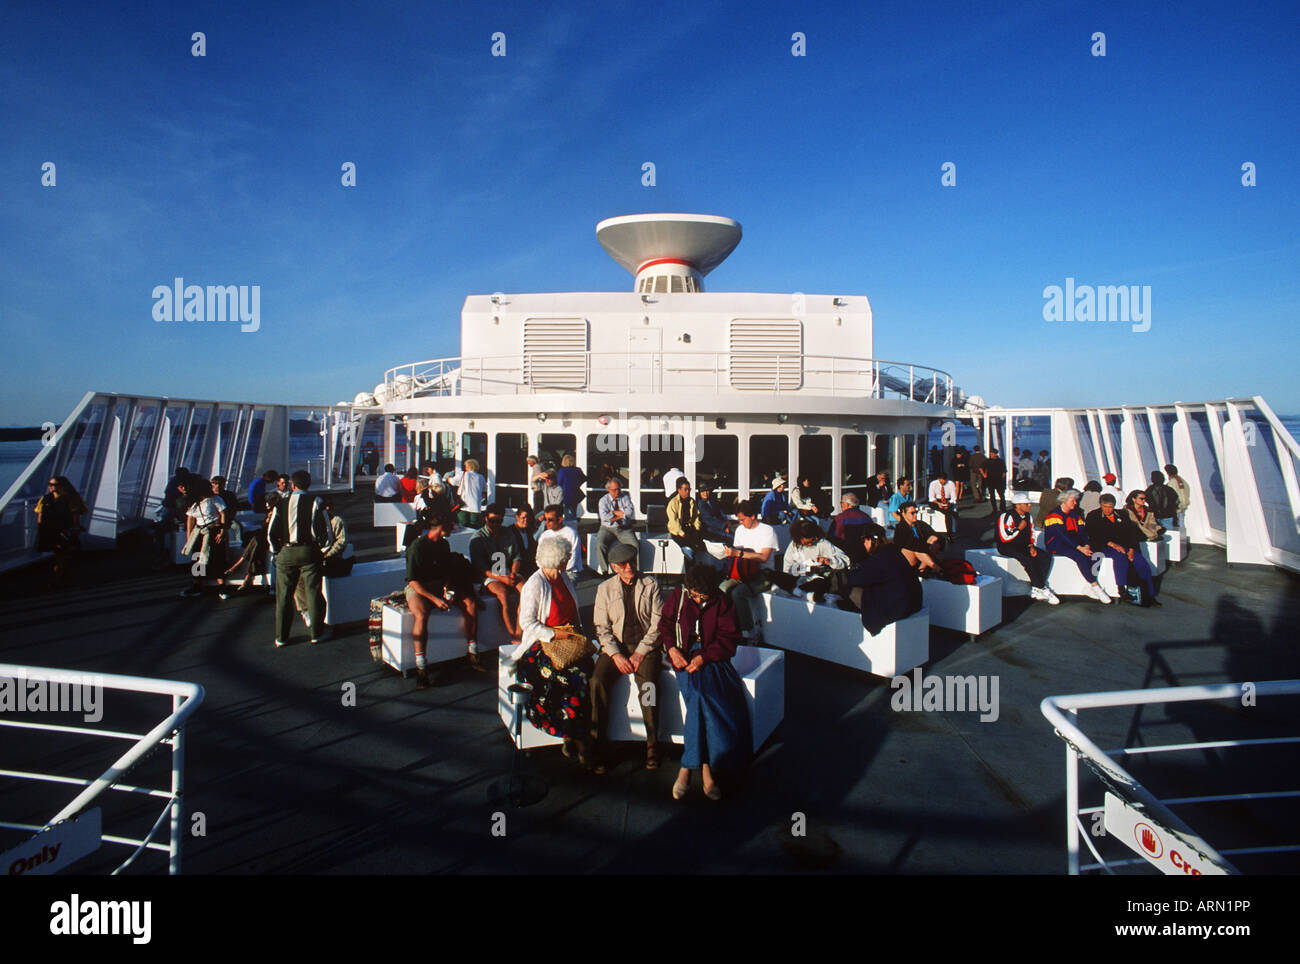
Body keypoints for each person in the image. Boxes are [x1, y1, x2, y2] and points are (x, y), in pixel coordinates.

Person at [660, 563, 751, 801]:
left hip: (710, 655)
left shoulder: (722, 601)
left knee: (698, 696)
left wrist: (705, 657)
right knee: (700, 696)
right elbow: (666, 625)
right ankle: (707, 769)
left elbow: (729, 638)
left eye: (702, 596)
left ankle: (689, 766)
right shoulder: (679, 595)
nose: (698, 599)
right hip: (683, 653)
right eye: (694, 594)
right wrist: (671, 649)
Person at [515, 537, 594, 760]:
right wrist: (554, 633)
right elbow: (527, 622)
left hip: (568, 642)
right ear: (557, 559)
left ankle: (572, 735)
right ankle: (580, 742)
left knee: (589, 673)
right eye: (566, 556)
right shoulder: (535, 584)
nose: (569, 559)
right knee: (570, 680)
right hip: (543, 645)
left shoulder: (563, 578)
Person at [590, 541, 664, 773]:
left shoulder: (651, 584)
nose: (629, 566)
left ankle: (652, 742)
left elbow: (658, 624)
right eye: (623, 564)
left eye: (632, 561)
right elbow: (601, 628)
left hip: (645, 646)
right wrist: (616, 655)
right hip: (617, 647)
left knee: (649, 686)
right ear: (614, 567)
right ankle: (598, 742)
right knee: (596, 682)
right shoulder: (605, 589)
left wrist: (641, 652)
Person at [404, 513, 482, 687]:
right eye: (451, 524)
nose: (454, 528)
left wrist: (448, 590)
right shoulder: (417, 546)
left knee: (471, 604)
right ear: (442, 526)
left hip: (438, 586)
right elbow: (413, 581)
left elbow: (447, 572)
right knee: (422, 614)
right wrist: (434, 599)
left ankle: (473, 652)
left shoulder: (444, 544)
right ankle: (422, 668)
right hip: (420, 588)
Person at [267, 471, 334, 643]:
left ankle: (281, 637)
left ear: (292, 485)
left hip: (286, 552)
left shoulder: (281, 503)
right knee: (313, 593)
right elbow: (327, 533)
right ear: (309, 485)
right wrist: (321, 550)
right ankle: (316, 634)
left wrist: (277, 552)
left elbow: (271, 533)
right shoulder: (316, 502)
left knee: (284, 597)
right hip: (309, 552)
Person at [842, 523, 924, 634]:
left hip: (899, 606)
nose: (864, 544)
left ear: (870, 540)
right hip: (914, 601)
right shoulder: (894, 551)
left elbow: (855, 578)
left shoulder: (878, 559)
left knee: (849, 590)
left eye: (864, 541)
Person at [1086, 494, 1161, 606]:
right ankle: (1121, 589)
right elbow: (1093, 535)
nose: (1107, 509)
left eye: (1110, 507)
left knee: (1143, 564)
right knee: (1120, 556)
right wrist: (1113, 545)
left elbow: (1131, 533)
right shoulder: (1093, 516)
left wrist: (1131, 549)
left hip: (1124, 545)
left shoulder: (1122, 514)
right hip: (1104, 546)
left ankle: (1149, 595)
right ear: (1101, 505)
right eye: (1105, 506)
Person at [719, 499, 778, 640]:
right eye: (739, 520)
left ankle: (749, 631)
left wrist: (739, 554)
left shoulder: (768, 531)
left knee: (738, 593)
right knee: (721, 589)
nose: (740, 523)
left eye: (742, 519)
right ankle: (726, 628)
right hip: (742, 571)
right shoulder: (740, 530)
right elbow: (737, 553)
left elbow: (764, 557)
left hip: (763, 574)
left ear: (753, 516)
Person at [1043, 489, 1112, 604]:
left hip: (1074, 544)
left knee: (1097, 555)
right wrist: (1080, 548)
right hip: (1057, 544)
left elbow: (1082, 533)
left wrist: (1086, 545)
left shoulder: (1075, 515)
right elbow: (1062, 535)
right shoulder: (1054, 515)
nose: (1076, 503)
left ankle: (1088, 585)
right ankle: (1095, 586)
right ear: (1064, 501)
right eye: (1073, 501)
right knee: (1080, 557)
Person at [469, 503, 523, 639]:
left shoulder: (508, 533)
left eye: (498, 521)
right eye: (492, 521)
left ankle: (520, 630)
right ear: (486, 519)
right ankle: (513, 635)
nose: (495, 524)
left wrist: (513, 574)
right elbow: (481, 569)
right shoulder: (477, 538)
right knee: (503, 595)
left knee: (527, 591)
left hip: (508, 572)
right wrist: (502, 579)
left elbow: (517, 557)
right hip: (490, 576)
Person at [293, 495, 351, 618]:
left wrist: (325, 555)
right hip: (316, 558)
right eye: (325, 507)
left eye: (329, 506)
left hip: (331, 560)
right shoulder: (314, 522)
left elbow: (341, 542)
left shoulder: (337, 521)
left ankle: (315, 611)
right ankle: (305, 609)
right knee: (298, 578)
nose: (327, 509)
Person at [997, 493, 1058, 604]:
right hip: (1007, 546)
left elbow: (1031, 533)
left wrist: (1031, 546)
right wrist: (1018, 529)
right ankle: (1041, 587)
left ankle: (1035, 588)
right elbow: (1004, 537)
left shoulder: (1028, 516)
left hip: (1022, 546)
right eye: (1027, 503)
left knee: (1045, 557)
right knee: (1027, 560)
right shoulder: (1006, 516)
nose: (1030, 505)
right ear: (1018, 505)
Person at [34, 475, 88, 589]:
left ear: (61, 485)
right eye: (49, 484)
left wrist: (75, 531)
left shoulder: (70, 499)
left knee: (60, 554)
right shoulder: (45, 499)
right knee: (60, 554)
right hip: (50, 531)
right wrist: (40, 529)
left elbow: (75, 517)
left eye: (53, 484)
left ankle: (56, 578)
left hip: (63, 531)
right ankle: (62, 575)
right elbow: (40, 515)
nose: (50, 487)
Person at [179, 477, 229, 597]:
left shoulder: (215, 499)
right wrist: (189, 537)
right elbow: (190, 518)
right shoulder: (193, 502)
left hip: (213, 531)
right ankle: (197, 584)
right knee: (197, 558)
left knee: (217, 557)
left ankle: (222, 586)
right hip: (199, 532)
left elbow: (223, 514)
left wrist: (222, 531)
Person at [778, 519, 849, 596]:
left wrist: (829, 561)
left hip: (820, 582)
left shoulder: (822, 543)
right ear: (801, 540)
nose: (814, 540)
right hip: (799, 582)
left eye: (815, 538)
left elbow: (845, 560)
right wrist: (806, 569)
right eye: (810, 541)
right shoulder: (793, 546)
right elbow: (787, 569)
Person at [596, 478, 638, 573]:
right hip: (607, 528)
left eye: (619, 489)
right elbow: (604, 517)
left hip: (623, 528)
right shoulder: (603, 501)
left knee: (635, 545)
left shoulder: (625, 497)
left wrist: (613, 513)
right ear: (609, 490)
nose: (617, 492)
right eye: (614, 490)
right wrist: (621, 514)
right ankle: (605, 571)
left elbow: (630, 513)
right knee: (600, 545)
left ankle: (635, 569)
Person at [892, 502, 942, 574]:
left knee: (935, 544)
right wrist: (927, 545)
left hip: (920, 553)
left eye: (916, 512)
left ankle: (922, 569)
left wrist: (934, 537)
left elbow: (936, 535)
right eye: (912, 513)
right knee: (915, 550)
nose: (915, 515)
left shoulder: (920, 524)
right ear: (904, 514)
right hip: (906, 558)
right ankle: (937, 569)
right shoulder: (900, 528)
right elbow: (909, 544)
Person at [666, 476, 707, 562]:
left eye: (689, 489)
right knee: (688, 547)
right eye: (685, 489)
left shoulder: (691, 501)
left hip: (689, 528)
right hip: (677, 531)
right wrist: (682, 533)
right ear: (679, 490)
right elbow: (674, 521)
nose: (688, 492)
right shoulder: (673, 503)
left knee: (701, 544)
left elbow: (696, 517)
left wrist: (697, 528)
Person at [537, 503, 583, 575]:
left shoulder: (571, 534)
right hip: (547, 572)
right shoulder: (544, 535)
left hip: (568, 572)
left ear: (560, 519)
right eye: (545, 519)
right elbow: (539, 557)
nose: (546, 522)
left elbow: (573, 558)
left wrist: (557, 573)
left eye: (550, 520)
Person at [696, 481, 733, 545]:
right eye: (703, 491)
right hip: (710, 530)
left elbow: (721, 512)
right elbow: (709, 520)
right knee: (731, 538)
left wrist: (727, 521)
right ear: (699, 492)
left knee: (734, 534)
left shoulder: (712, 501)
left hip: (719, 527)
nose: (705, 493)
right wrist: (724, 526)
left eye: (707, 491)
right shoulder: (700, 504)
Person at [454, 458, 487, 528]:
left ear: (469, 466)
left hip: (463, 504)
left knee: (463, 524)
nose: (465, 468)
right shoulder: (481, 477)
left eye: (466, 466)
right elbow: (484, 491)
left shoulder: (464, 474)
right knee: (474, 525)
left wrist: (448, 478)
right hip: (476, 505)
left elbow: (453, 482)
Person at [556, 454, 586, 521]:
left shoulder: (562, 471)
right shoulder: (578, 470)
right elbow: (584, 478)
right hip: (575, 493)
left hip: (566, 494)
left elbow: (559, 482)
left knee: (568, 514)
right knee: (573, 511)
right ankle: (574, 525)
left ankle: (571, 527)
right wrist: (577, 484)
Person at [513, 505, 539, 579]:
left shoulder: (528, 531)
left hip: (529, 570)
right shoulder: (510, 532)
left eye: (528, 518)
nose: (526, 520)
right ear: (517, 517)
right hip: (516, 572)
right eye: (523, 518)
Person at [983, 449, 1007, 514]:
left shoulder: (1000, 461)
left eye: (993, 453)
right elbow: (981, 467)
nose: (991, 455)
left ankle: (1003, 508)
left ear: (996, 454)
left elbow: (1004, 471)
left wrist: (1002, 479)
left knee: (1001, 495)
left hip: (998, 480)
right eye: (991, 453)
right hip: (990, 480)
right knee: (992, 496)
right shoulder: (987, 461)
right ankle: (994, 509)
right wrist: (984, 474)